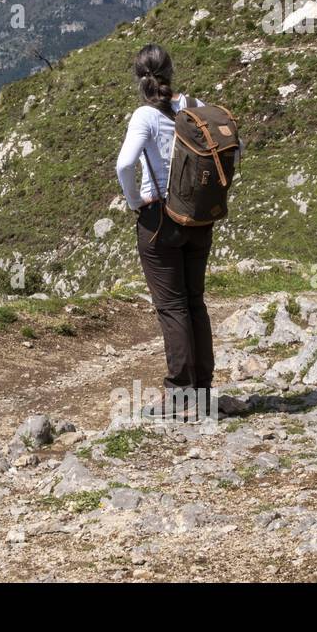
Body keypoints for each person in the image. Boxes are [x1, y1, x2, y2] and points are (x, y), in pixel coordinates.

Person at [114, 44, 217, 422]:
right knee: (195, 302)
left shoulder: (145, 115)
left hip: (159, 217)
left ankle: (178, 395)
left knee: (171, 306)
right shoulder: (194, 105)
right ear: (171, 72)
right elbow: (231, 152)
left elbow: (125, 164)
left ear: (139, 79)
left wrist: (134, 202)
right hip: (198, 217)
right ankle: (204, 391)